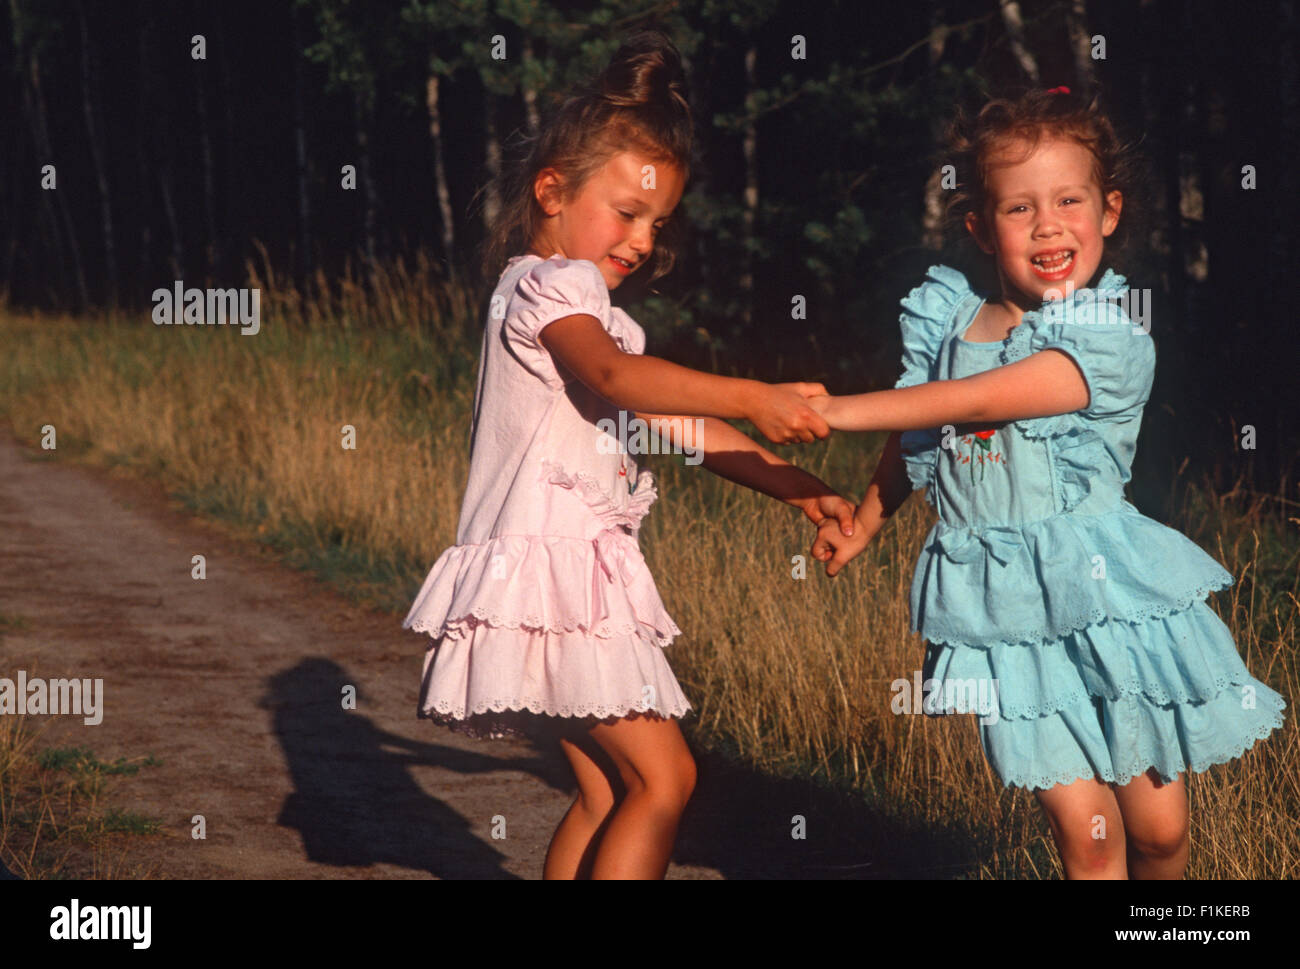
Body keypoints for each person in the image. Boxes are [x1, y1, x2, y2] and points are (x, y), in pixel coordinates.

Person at [403, 31, 854, 880]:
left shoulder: (576, 303)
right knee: (665, 777)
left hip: (555, 585)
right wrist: (754, 392)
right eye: (628, 211)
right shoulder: (554, 287)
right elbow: (616, 375)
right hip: (556, 584)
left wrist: (797, 487)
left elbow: (676, 423)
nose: (643, 239)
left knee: (612, 793)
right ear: (551, 191)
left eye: (657, 221)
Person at [807, 87, 1286, 879]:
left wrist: (836, 409)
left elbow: (988, 397)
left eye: (1070, 200)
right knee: (1089, 834)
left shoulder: (1107, 332)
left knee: (1160, 829)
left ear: (1109, 211)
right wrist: (864, 520)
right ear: (979, 226)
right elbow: (921, 429)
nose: (1049, 224)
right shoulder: (947, 325)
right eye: (1019, 208)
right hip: (1003, 615)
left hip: (1110, 602)